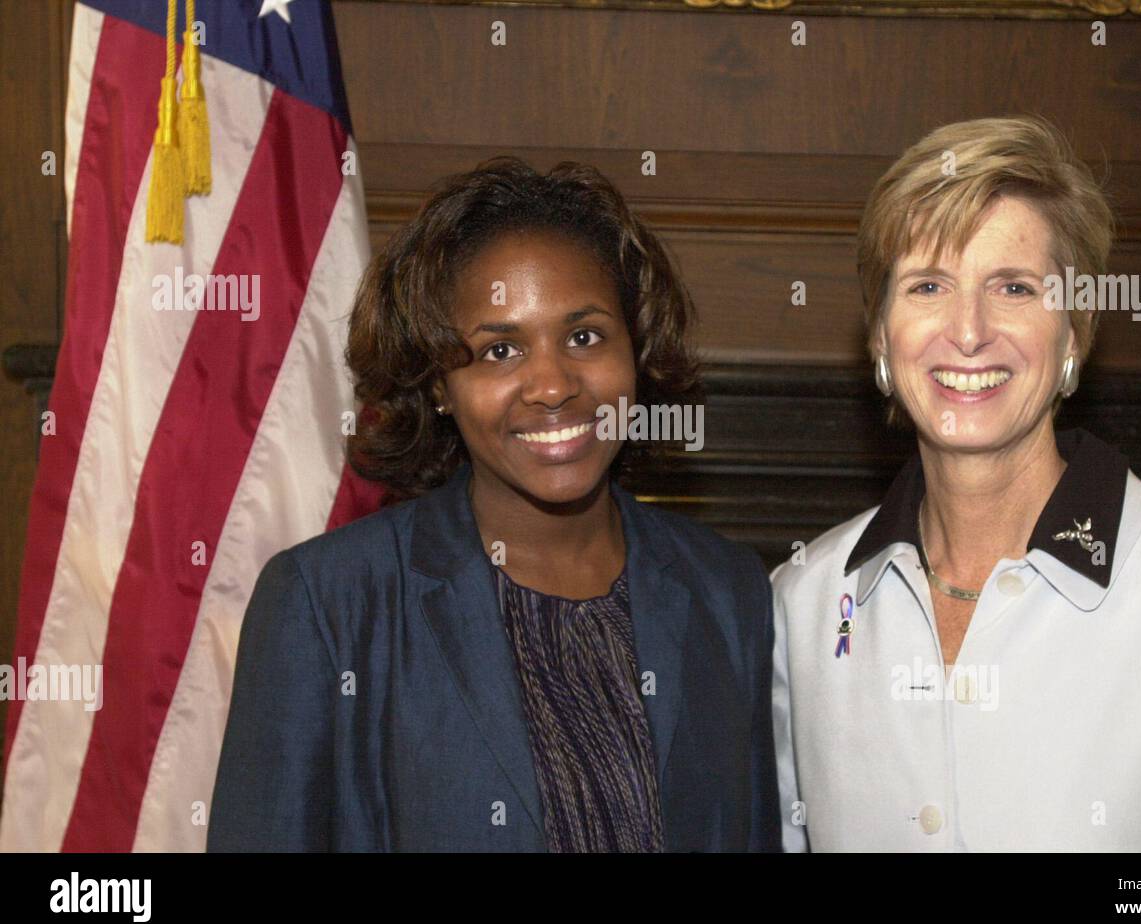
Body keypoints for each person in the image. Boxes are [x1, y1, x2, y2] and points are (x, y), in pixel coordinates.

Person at [208, 157, 780, 852]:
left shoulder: (728, 590)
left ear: (637, 347)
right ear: (440, 384)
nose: (550, 384)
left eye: (584, 336)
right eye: (499, 349)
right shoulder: (329, 603)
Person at [770, 116, 1141, 852]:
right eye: (928, 285)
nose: (967, 330)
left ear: (1075, 334)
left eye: (1014, 287)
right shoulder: (803, 605)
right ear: (881, 338)